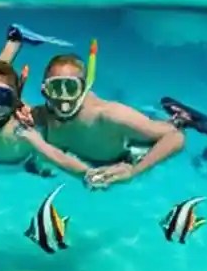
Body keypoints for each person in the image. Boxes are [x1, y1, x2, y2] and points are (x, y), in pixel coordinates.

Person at [20, 43, 185, 188]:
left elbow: (175, 137)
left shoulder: (108, 115)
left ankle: (181, 117)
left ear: (84, 88)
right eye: (56, 88)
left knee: (168, 126)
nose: (63, 97)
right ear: (44, 91)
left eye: (71, 88)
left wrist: (135, 171)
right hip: (86, 166)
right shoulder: (41, 115)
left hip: (124, 158)